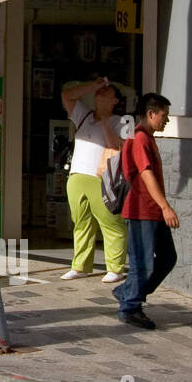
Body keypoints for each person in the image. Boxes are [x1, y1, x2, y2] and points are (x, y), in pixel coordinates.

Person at [113, 93, 180, 329]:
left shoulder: (147, 137)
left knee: (167, 258)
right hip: (141, 210)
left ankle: (126, 291)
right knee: (143, 263)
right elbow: (145, 173)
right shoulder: (140, 139)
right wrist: (165, 206)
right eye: (164, 115)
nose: (167, 120)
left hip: (152, 211)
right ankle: (130, 307)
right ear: (151, 114)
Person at [60, 76, 127, 283]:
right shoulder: (84, 115)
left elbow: (118, 147)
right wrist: (92, 86)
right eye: (99, 92)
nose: (101, 93)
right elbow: (67, 96)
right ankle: (80, 266)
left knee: (110, 223)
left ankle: (115, 268)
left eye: (106, 92)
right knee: (81, 222)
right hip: (77, 175)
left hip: (103, 178)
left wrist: (106, 123)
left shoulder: (123, 121)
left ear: (115, 100)